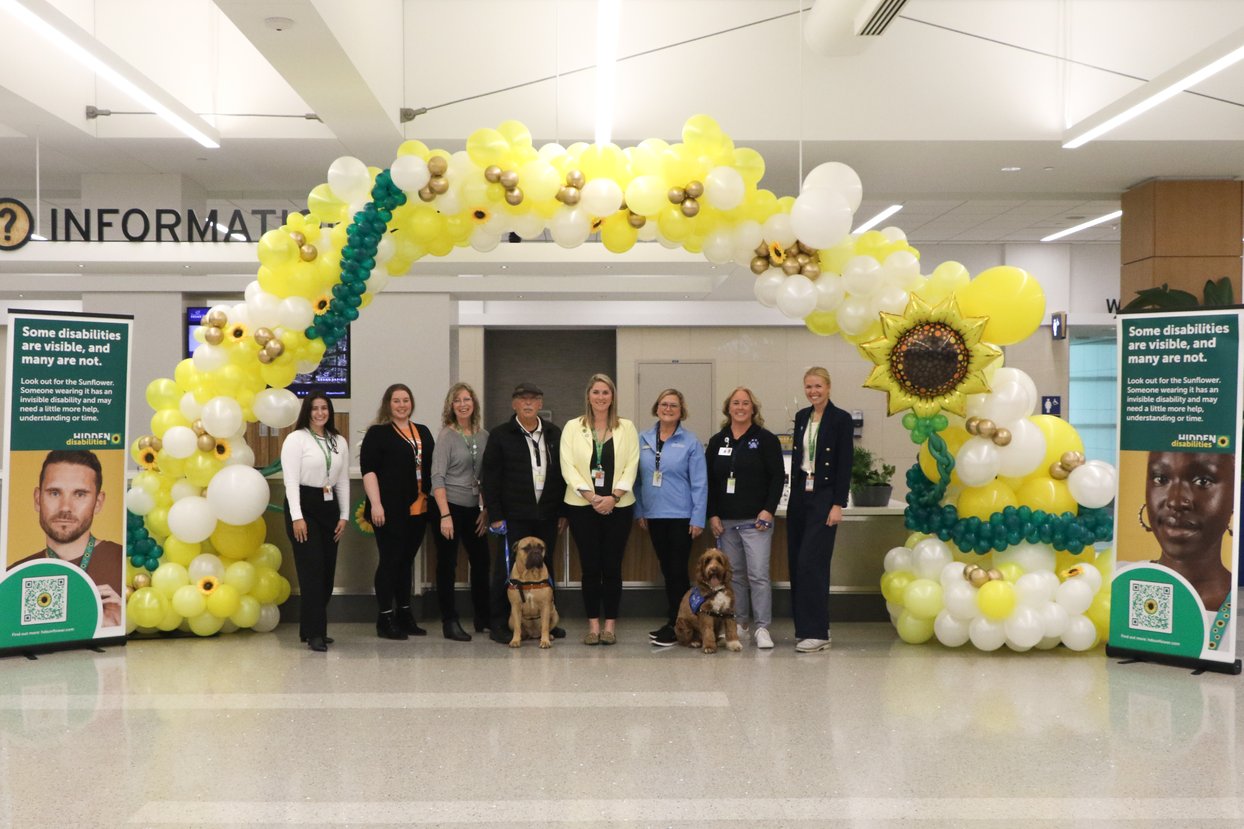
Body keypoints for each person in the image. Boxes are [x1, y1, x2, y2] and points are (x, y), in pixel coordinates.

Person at [479, 382, 567, 644]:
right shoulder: (500, 435)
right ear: (514, 404)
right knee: (507, 571)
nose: (528, 403)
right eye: (522, 399)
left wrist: (562, 510)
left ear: (541, 404)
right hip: (513, 515)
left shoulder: (553, 433)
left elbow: (563, 474)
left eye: (533, 399)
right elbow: (491, 478)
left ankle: (545, 623)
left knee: (545, 566)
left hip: (547, 514)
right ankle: (499, 623)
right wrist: (495, 514)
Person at [561, 373, 640, 645]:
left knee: (612, 567)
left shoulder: (626, 427)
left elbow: (632, 464)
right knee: (591, 567)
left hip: (619, 507)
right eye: (596, 392)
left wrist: (613, 497)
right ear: (588, 396)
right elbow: (567, 466)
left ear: (613, 396)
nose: (601, 397)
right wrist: (591, 496)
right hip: (582, 506)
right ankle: (593, 625)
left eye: (606, 392)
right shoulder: (573, 427)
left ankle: (610, 625)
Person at [705, 387, 784, 650]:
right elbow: (710, 482)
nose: (740, 407)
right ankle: (739, 623)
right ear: (728, 408)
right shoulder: (718, 441)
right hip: (725, 522)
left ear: (753, 409)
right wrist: (712, 513)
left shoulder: (765, 439)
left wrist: (768, 510)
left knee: (759, 575)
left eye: (745, 403)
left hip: (756, 521)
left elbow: (777, 479)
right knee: (735, 575)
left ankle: (762, 627)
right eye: (735, 403)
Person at [14, 449, 123, 628]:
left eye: (80, 494)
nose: (65, 507)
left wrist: (121, 625)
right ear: (37, 499)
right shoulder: (15, 575)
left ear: (98, 502)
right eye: (55, 493)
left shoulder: (124, 563)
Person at [633, 388, 707, 647]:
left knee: (677, 571)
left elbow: (700, 482)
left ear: (681, 410)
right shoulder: (642, 438)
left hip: (681, 516)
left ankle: (679, 624)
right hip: (654, 515)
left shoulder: (690, 442)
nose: (668, 408)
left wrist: (698, 517)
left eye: (673, 405)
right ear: (657, 407)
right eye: (664, 404)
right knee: (667, 569)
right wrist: (639, 510)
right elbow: (637, 480)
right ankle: (680, 622)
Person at [787, 367, 855, 653]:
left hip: (825, 497)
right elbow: (798, 458)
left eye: (818, 386)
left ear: (828, 387)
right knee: (796, 563)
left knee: (811, 563)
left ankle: (817, 631)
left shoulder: (841, 419)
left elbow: (845, 462)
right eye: (808, 387)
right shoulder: (803, 417)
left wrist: (838, 503)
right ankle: (809, 628)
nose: (813, 391)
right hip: (801, 495)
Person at [360, 383, 434, 640]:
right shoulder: (378, 434)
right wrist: (376, 504)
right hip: (388, 510)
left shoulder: (423, 432)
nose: (402, 405)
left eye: (406, 400)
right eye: (396, 401)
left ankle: (405, 614)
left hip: (418, 509)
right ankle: (385, 618)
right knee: (390, 562)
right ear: (388, 405)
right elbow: (368, 471)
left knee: (405, 564)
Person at [280, 391, 349, 653]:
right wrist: (297, 517)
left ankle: (308, 627)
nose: (320, 413)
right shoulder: (296, 440)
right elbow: (290, 482)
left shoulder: (338, 441)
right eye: (315, 408)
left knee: (327, 573)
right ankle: (316, 633)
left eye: (324, 408)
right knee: (312, 572)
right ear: (307, 411)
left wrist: (343, 515)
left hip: (329, 508)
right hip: (304, 508)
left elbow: (341, 481)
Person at [1140, 451, 1235, 617]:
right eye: (1161, 479)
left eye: (1203, 481)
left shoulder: (1237, 604)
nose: (1175, 502)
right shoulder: (1119, 580)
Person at [430, 382, 490, 642]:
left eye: (467, 399)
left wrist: (485, 509)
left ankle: (483, 617)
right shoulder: (446, 436)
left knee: (482, 563)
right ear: (451, 407)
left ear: (474, 403)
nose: (463, 404)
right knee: (447, 565)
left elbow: (486, 476)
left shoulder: (483, 435)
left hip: (474, 508)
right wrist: (445, 515)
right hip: (448, 507)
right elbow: (437, 477)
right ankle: (449, 621)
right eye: (457, 401)